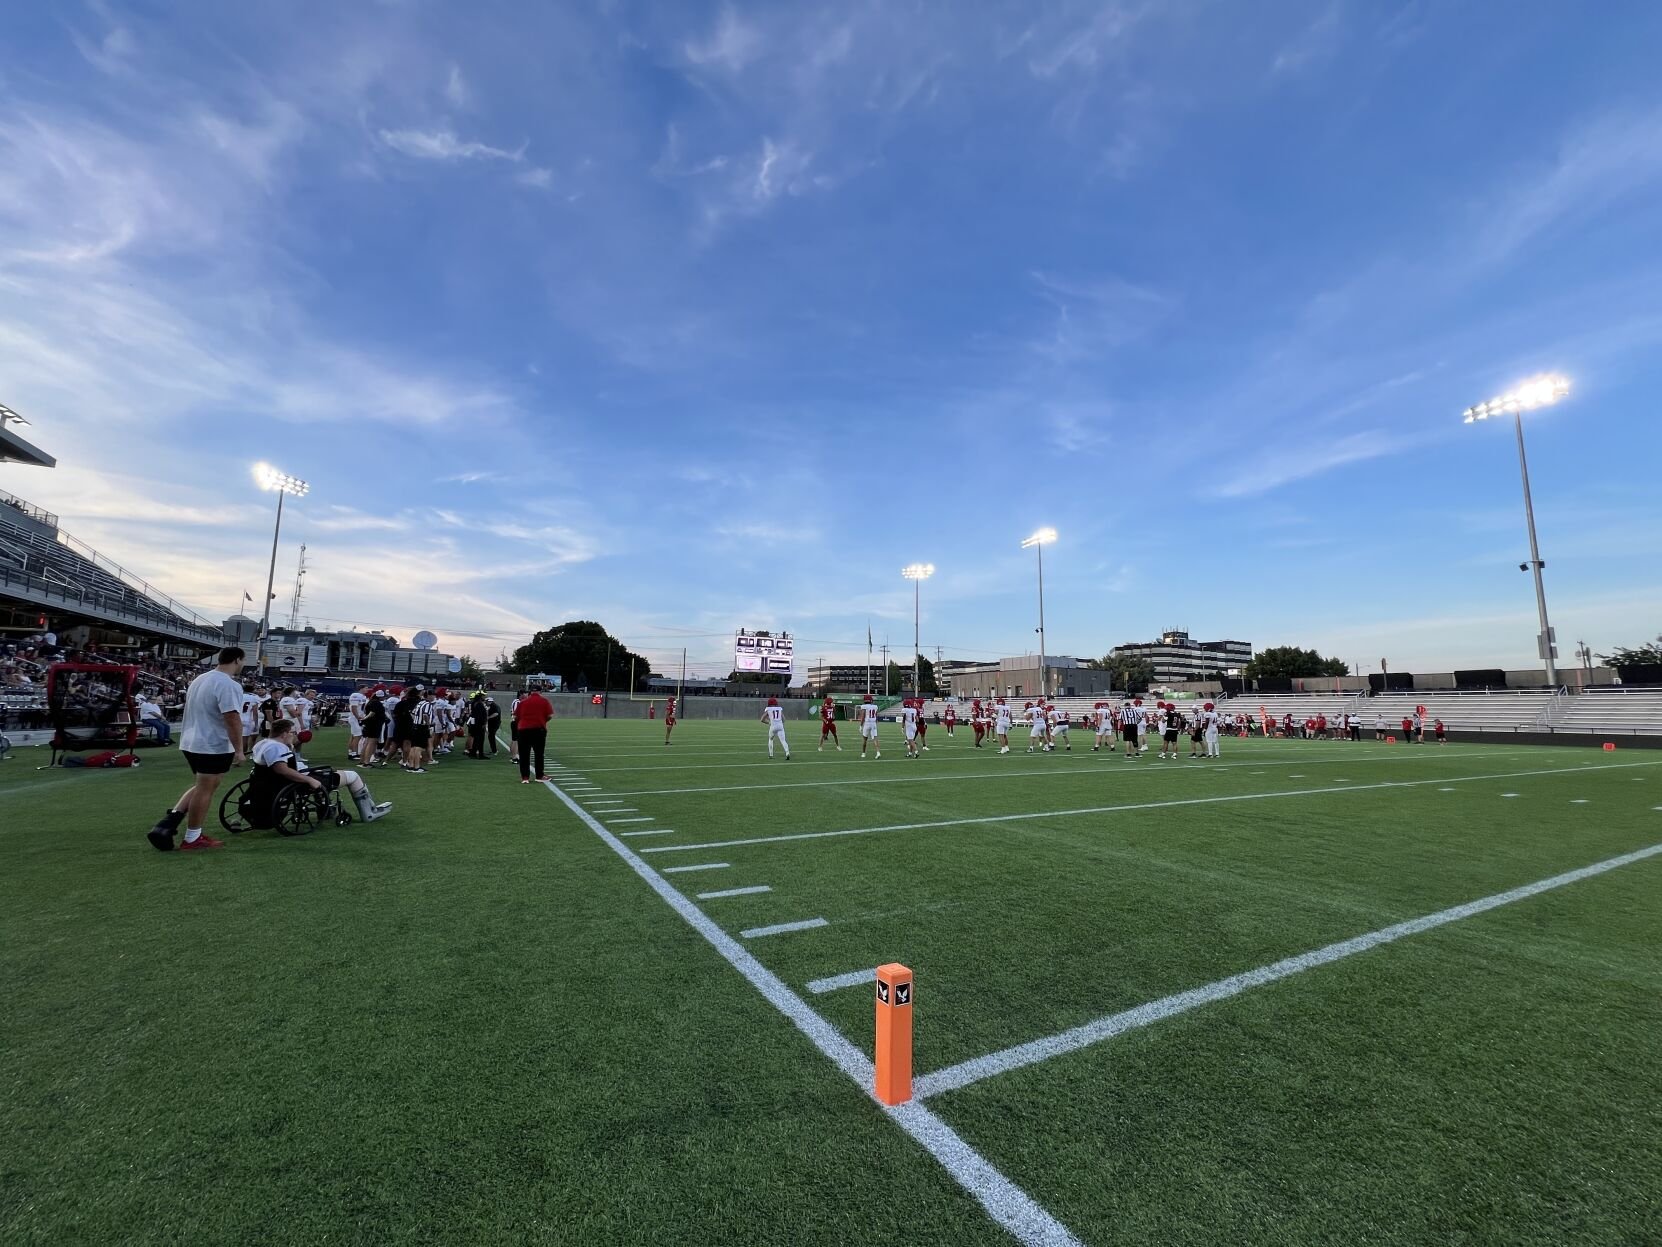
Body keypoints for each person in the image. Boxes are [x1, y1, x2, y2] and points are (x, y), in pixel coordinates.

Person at [147, 646, 247, 852]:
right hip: (211, 743)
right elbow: (232, 718)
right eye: (243, 661)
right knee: (206, 789)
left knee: (202, 785)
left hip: (192, 741)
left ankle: (168, 823)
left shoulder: (201, 679)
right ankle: (192, 837)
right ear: (237, 660)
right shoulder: (227, 684)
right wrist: (239, 749)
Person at [252, 719, 391, 823]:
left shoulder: (262, 744)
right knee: (353, 776)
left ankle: (324, 808)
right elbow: (282, 770)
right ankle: (369, 812)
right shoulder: (277, 748)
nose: (294, 735)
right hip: (298, 781)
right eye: (292, 732)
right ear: (284, 734)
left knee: (332, 772)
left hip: (272, 781)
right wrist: (309, 780)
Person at [514, 684, 553, 782]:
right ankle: (539, 776)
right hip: (538, 730)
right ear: (540, 691)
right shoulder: (544, 701)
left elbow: (515, 717)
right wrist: (542, 721)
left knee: (524, 754)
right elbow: (549, 715)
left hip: (523, 730)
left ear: (530, 692)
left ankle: (525, 778)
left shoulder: (523, 702)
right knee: (539, 754)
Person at [762, 695, 790, 760]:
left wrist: (769, 722)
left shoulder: (768, 709)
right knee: (783, 740)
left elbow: (762, 719)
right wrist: (779, 723)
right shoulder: (779, 709)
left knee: (770, 739)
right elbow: (784, 719)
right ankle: (787, 753)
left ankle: (771, 755)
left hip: (773, 726)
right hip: (780, 726)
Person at [856, 693, 880, 759]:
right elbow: (876, 716)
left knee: (864, 739)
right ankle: (878, 752)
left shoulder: (864, 706)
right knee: (875, 738)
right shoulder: (875, 706)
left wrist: (861, 726)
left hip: (867, 723)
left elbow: (863, 716)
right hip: (873, 723)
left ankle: (863, 753)